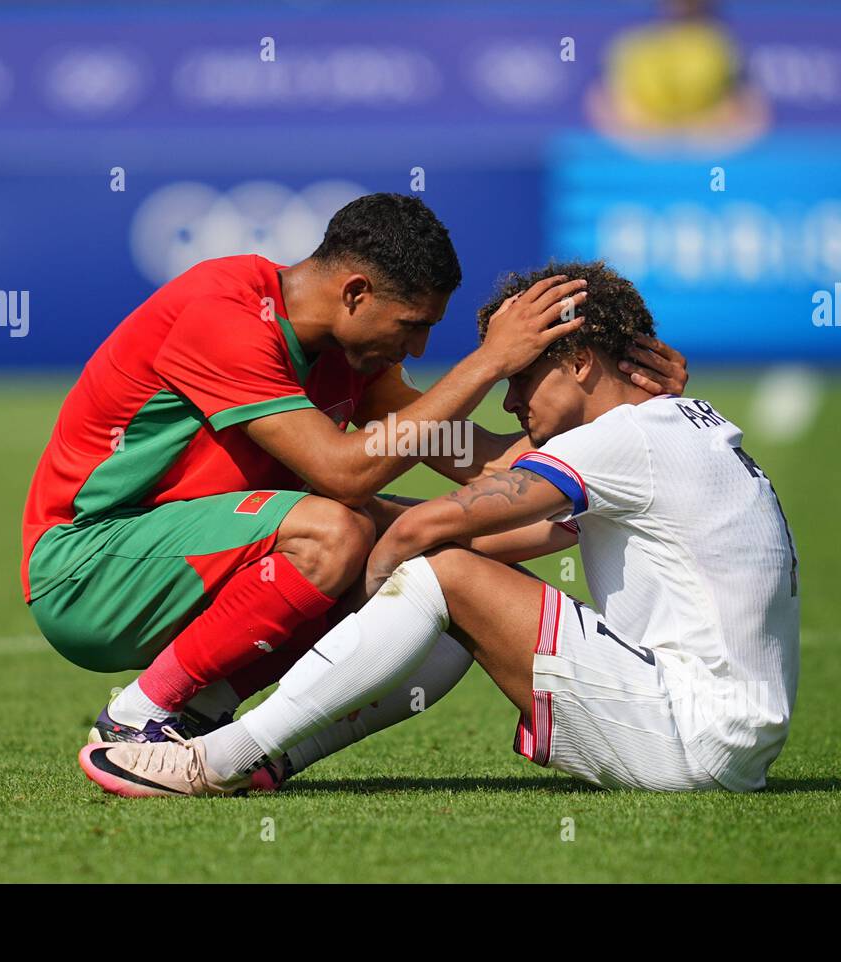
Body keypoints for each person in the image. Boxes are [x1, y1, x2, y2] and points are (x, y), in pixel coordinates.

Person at [79, 260, 798, 796]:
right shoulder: (663, 429)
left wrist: (369, 578)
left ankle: (211, 758)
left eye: (522, 375)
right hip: (720, 741)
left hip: (685, 734)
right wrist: (401, 559)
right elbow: (509, 529)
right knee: (452, 592)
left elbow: (427, 524)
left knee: (438, 570)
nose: (509, 398)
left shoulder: (623, 442)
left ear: (580, 362)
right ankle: (270, 759)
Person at [21, 194, 689, 747]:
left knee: (426, 558)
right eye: (412, 325)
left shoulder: (353, 358)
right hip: (86, 568)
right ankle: (137, 716)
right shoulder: (223, 315)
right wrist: (487, 363)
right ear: (355, 293)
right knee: (338, 529)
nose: (419, 347)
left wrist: (632, 409)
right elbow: (342, 475)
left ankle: (201, 714)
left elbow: (489, 465)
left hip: (181, 558)